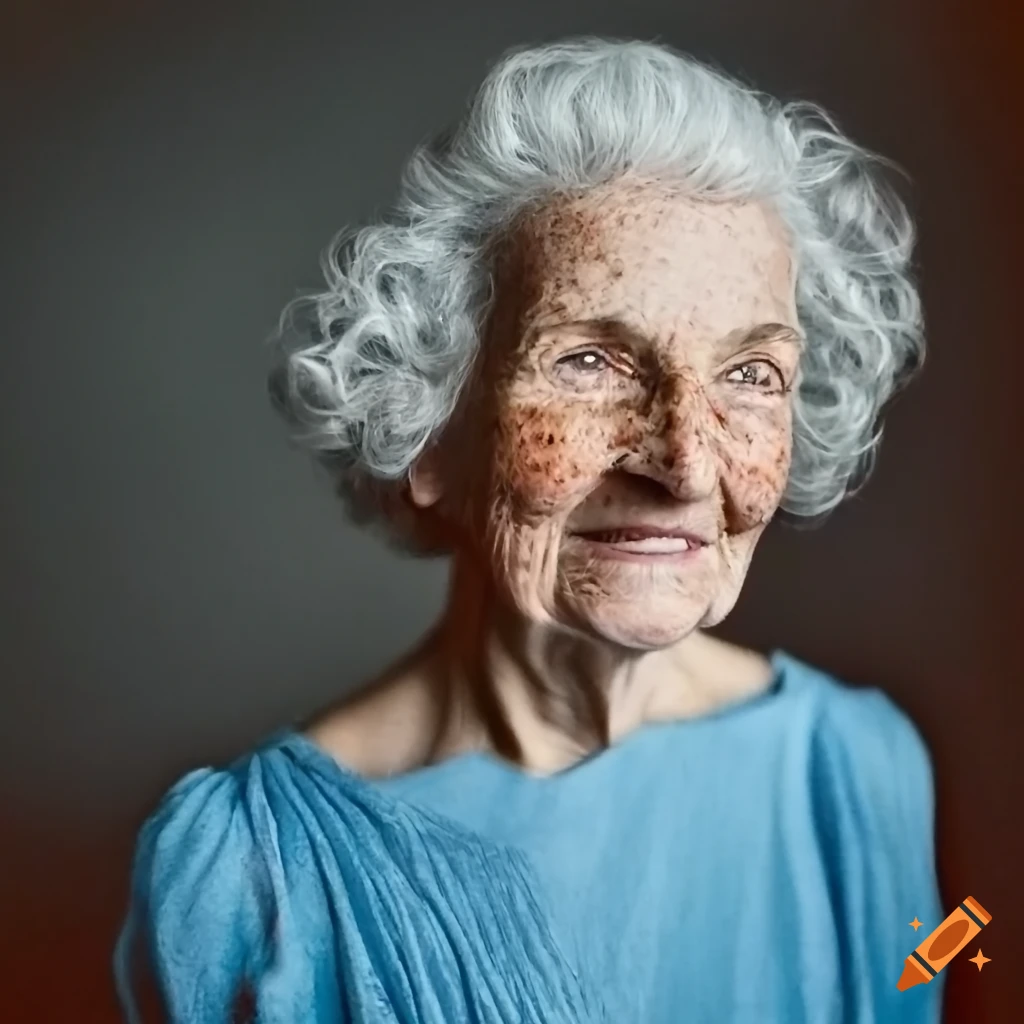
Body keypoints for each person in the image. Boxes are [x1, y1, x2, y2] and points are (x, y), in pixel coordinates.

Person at [114, 37, 943, 1023]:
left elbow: (928, 970)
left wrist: (973, 942)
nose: (682, 463)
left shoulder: (855, 770)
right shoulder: (248, 882)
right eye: (590, 360)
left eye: (749, 375)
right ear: (427, 427)